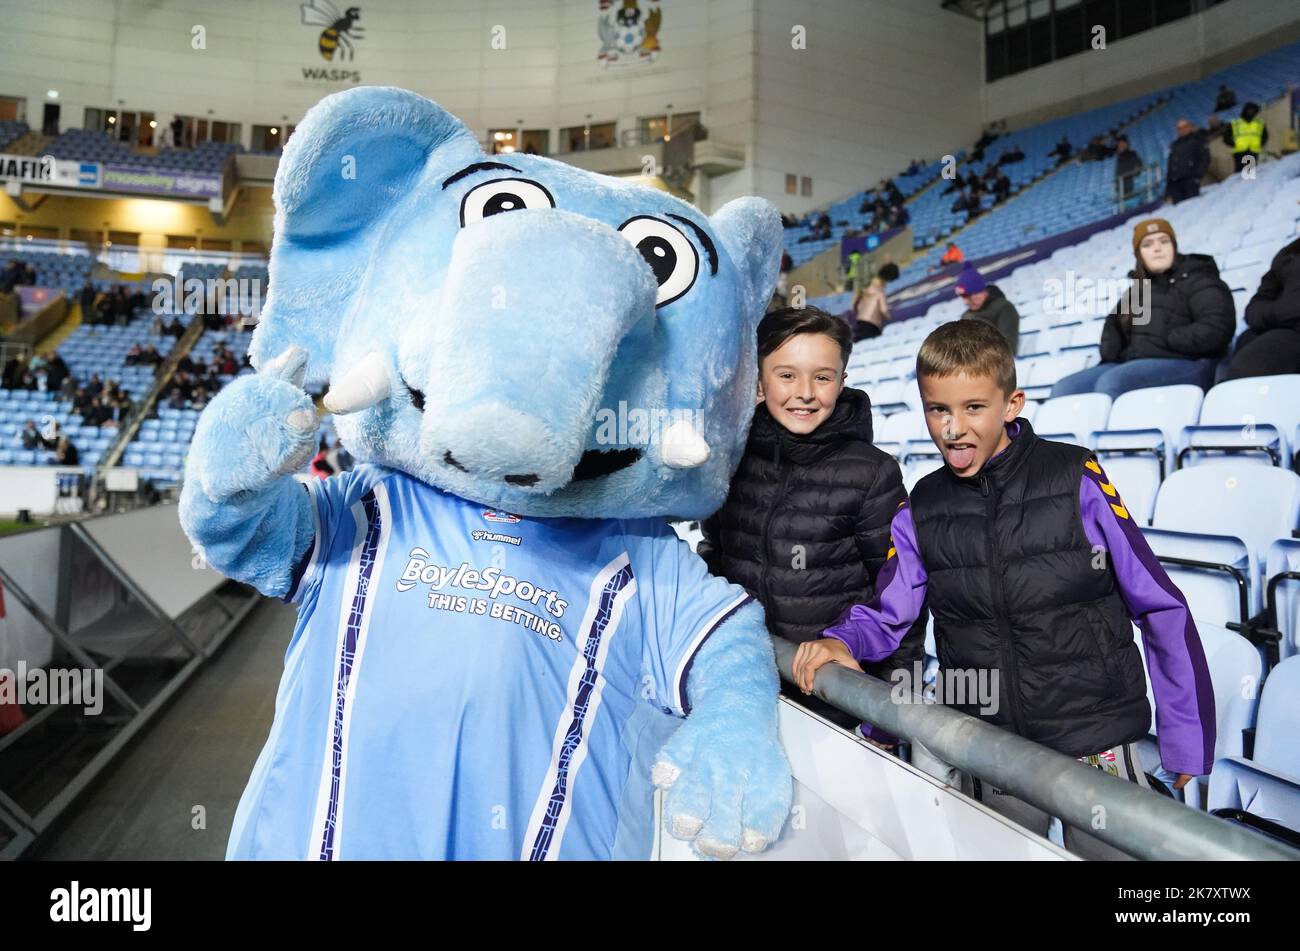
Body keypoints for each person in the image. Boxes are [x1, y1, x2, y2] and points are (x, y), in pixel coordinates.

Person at [792, 318, 1215, 859]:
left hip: (1097, 741)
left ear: (1011, 403)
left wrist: (1186, 737)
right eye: (937, 409)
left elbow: (1160, 608)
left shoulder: (1075, 475)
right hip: (990, 745)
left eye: (973, 408)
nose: (952, 428)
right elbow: (890, 612)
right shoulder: (922, 504)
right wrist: (841, 641)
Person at [698, 306, 925, 746]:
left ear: (842, 382)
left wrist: (886, 718)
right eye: (787, 375)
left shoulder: (872, 473)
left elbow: (904, 597)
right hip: (741, 690)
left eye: (822, 377)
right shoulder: (732, 458)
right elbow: (718, 552)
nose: (805, 392)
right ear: (759, 381)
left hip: (832, 710)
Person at [1051, 219, 1234, 398]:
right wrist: (1116, 352)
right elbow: (1112, 329)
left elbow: (1217, 328)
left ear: (1174, 246)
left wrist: (1167, 340)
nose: (1157, 248)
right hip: (1134, 363)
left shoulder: (1200, 278)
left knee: (1113, 381)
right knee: (1064, 388)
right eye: (1147, 244)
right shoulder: (1136, 290)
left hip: (1190, 362)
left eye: (1164, 241)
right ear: (1139, 254)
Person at [1224, 236, 1300, 379]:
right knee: (1244, 344)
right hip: (1279, 329)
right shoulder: (1289, 253)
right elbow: (1255, 307)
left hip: (1287, 332)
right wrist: (1284, 311)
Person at [955, 262, 1019, 355]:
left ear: (981, 292)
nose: (966, 302)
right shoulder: (966, 316)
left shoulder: (1004, 308)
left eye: (969, 296)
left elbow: (1009, 350)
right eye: (963, 298)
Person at [1166, 118, 1210, 204]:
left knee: (1193, 206)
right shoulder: (1175, 145)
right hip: (1176, 183)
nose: (1183, 130)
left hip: (1190, 180)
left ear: (1190, 127)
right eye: (1180, 128)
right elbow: (1171, 165)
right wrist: (1169, 183)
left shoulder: (1198, 139)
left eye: (1185, 126)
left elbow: (1204, 158)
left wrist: (1197, 176)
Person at [1225, 102, 1267, 173]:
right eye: (1249, 110)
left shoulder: (1259, 123)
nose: (1251, 112)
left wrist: (1260, 145)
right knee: (1239, 173)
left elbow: (1265, 136)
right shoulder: (1235, 123)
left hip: (1253, 151)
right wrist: (1235, 145)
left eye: (1253, 111)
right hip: (1240, 152)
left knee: (1249, 174)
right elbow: (1226, 138)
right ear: (1245, 110)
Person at [849, 276, 890, 340]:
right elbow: (883, 309)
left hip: (861, 319)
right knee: (875, 338)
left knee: (862, 338)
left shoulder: (864, 292)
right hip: (872, 322)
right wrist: (888, 317)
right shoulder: (880, 293)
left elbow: (857, 306)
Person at [1114, 136, 1143, 201]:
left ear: (1126, 144)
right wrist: (1116, 183)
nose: (1120, 146)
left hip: (1129, 180)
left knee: (1129, 199)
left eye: (1122, 144)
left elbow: (1139, 164)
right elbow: (1117, 171)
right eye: (1119, 144)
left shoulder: (1132, 153)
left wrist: (1136, 173)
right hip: (1120, 182)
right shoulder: (1119, 157)